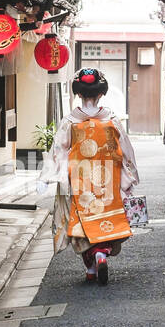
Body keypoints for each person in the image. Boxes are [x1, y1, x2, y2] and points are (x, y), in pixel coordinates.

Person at [37, 67, 140, 286]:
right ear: (101, 93)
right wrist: (128, 177)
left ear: (79, 94)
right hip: (108, 182)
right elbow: (126, 151)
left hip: (80, 181)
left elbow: (59, 151)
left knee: (82, 224)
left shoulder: (71, 121)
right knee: (107, 220)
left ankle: (92, 265)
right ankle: (102, 252)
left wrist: (47, 177)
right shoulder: (111, 119)